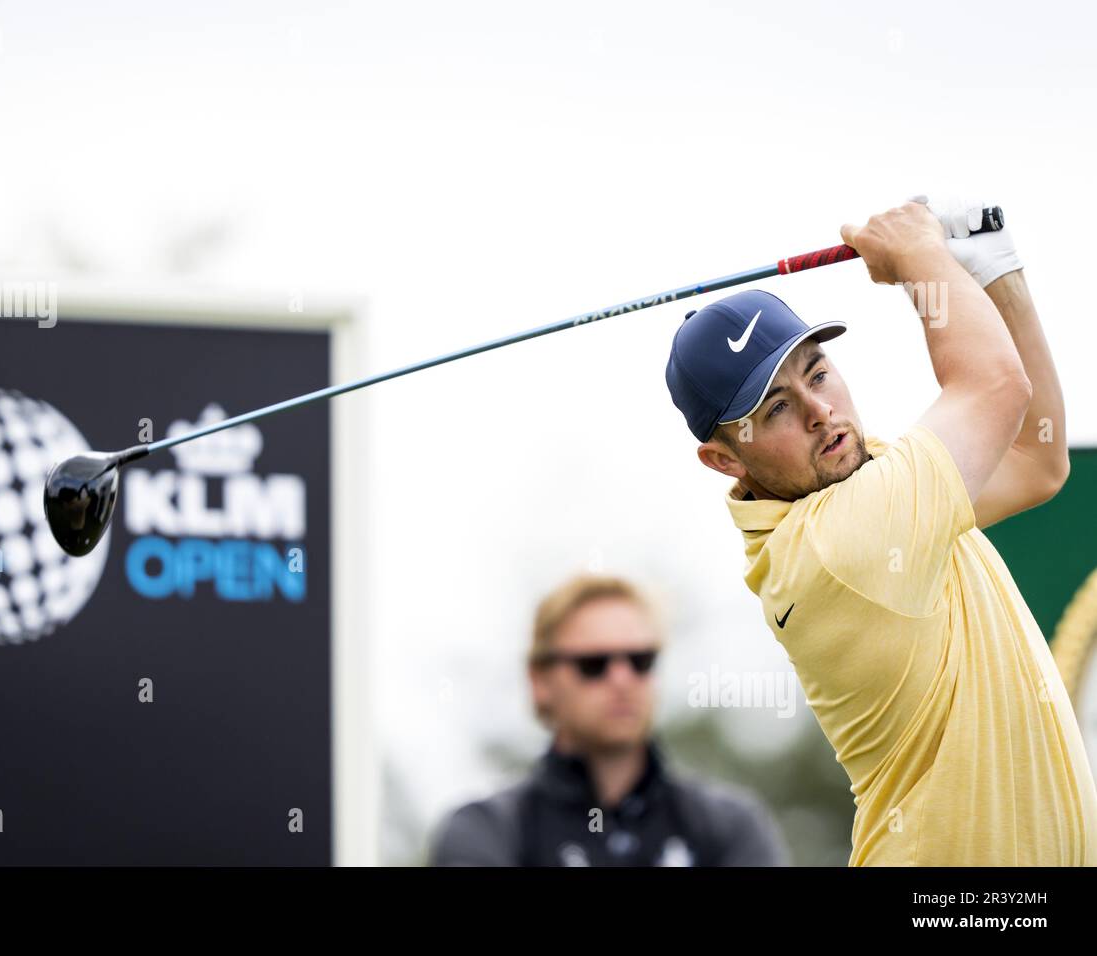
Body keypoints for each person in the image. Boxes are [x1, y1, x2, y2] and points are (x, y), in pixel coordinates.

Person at [664, 195, 1097, 865]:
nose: (819, 411)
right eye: (776, 407)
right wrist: (918, 257)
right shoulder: (841, 542)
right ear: (725, 459)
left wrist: (991, 268)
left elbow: (1035, 459)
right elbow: (994, 388)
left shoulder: (877, 491)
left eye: (818, 374)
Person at [429, 574, 788, 866]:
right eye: (594, 665)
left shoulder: (729, 825)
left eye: (640, 660)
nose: (622, 680)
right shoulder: (487, 830)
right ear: (540, 681)